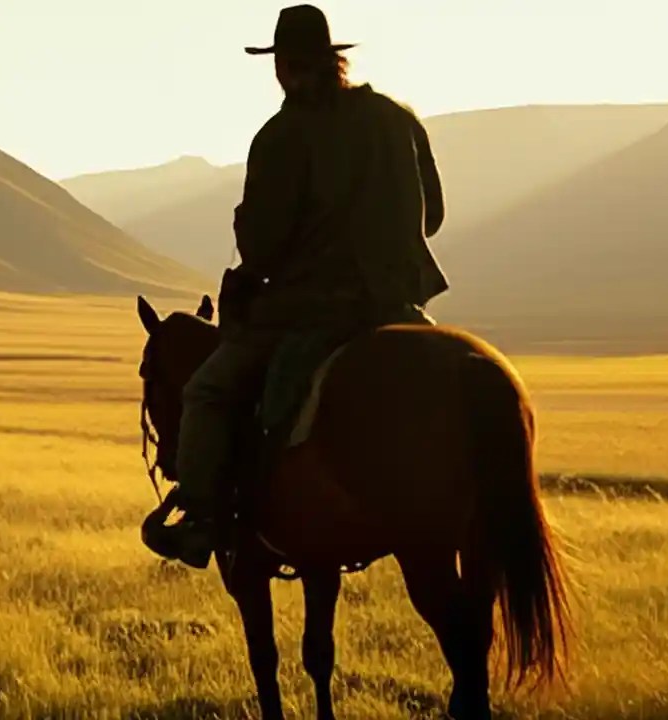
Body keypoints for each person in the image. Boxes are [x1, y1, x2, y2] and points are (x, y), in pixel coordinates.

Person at [153, 4, 450, 570]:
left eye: (283, 64)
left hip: (310, 311)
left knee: (207, 393)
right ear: (334, 57)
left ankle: (200, 519)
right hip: (394, 304)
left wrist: (249, 233)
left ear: (286, 66)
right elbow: (432, 217)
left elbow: (263, 246)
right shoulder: (399, 119)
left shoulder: (282, 135)